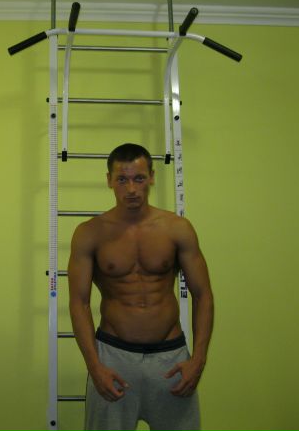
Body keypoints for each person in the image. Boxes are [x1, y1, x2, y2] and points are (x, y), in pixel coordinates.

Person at [68, 143, 214, 431]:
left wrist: (198, 360)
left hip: (170, 360)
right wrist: (94, 367)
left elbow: (203, 295)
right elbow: (79, 303)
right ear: (109, 180)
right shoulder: (90, 233)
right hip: (113, 359)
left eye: (139, 178)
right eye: (122, 179)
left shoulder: (177, 228)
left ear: (152, 177)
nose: (132, 189)